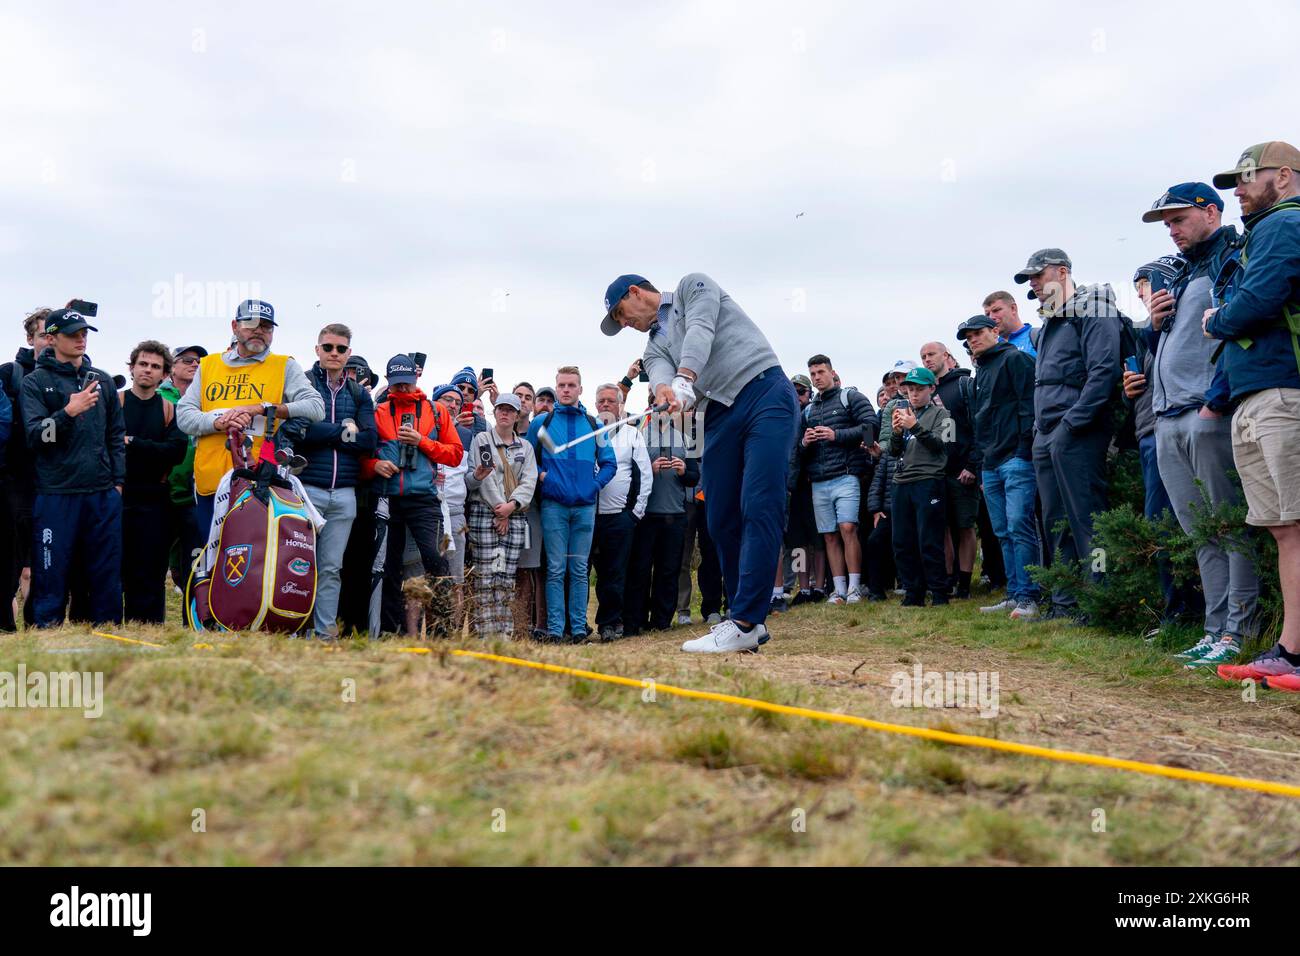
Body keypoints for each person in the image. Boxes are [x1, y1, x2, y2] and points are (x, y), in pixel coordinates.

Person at [603, 272, 799, 653]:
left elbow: (701, 330)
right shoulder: (652, 347)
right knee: (721, 515)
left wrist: (684, 377)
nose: (624, 323)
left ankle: (743, 619)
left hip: (764, 392)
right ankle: (749, 625)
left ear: (635, 292)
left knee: (759, 504)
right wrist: (667, 391)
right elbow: (661, 376)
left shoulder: (693, 287)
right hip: (719, 414)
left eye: (621, 314)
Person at [1203, 142, 1300, 685]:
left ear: (1283, 177)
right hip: (1259, 392)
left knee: (1296, 524)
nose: (1237, 189)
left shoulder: (1283, 225)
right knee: (1287, 527)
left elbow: (1259, 298)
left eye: (1245, 178)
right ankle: (1289, 652)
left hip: (1284, 391)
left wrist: (1217, 320)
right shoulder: (1267, 228)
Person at [1014, 248, 1124, 620]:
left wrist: (1071, 425)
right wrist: (1039, 432)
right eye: (1029, 278)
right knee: (1055, 522)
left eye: (1037, 275)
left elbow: (1104, 372)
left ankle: (1100, 601)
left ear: (1062, 272)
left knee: (1088, 521)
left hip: (1078, 431)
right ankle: (1063, 602)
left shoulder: (1095, 308)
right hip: (1046, 434)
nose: (1033, 283)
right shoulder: (1049, 323)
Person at [175, 300, 324, 538]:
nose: (259, 330)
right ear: (234, 326)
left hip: (261, 482)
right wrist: (219, 422)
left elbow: (316, 407)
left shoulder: (284, 365)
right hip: (211, 479)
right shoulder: (208, 365)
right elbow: (183, 416)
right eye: (251, 323)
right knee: (211, 562)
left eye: (266, 326)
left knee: (254, 561)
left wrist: (263, 408)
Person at [20, 308, 125, 627]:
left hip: (101, 494)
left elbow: (116, 436)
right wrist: (68, 412)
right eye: (72, 333)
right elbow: (38, 436)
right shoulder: (35, 382)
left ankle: (109, 636)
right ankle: (46, 639)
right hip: (56, 494)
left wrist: (117, 483)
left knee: (105, 574)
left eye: (84, 332)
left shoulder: (103, 381)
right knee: (51, 574)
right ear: (51, 339)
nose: (81, 338)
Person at [364, 354, 464, 636]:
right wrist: (374, 465)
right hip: (387, 497)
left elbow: (455, 454)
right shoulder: (377, 412)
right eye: (397, 385)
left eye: (407, 384)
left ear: (416, 379)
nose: (403, 390)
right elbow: (361, 457)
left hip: (424, 498)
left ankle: (441, 629)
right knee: (389, 565)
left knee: (435, 557)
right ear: (388, 382)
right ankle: (389, 631)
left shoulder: (435, 411)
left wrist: (423, 442)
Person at [293, 324, 378, 638]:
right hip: (306, 489)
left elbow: (369, 440)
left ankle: (324, 634)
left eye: (340, 349)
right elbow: (300, 432)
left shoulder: (358, 392)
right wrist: (343, 431)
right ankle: (294, 627)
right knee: (298, 563)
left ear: (348, 353)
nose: (334, 353)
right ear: (317, 349)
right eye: (328, 347)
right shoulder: (302, 382)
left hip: (344, 493)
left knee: (331, 568)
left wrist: (324, 433)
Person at [958, 316, 1040, 620]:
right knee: (1002, 531)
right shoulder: (980, 372)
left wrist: (1022, 449)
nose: (973, 340)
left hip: (1016, 458)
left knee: (1020, 525)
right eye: (968, 337)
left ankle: (1030, 597)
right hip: (990, 463)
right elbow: (979, 421)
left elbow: (1028, 406)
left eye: (978, 333)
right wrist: (981, 465)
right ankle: (1014, 594)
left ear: (995, 331)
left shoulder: (1015, 359)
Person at [526, 366, 615, 642]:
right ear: (556, 388)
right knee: (555, 569)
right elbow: (530, 459)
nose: (566, 390)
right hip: (554, 506)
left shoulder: (594, 425)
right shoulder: (542, 423)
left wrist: (594, 485)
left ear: (580, 389)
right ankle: (555, 630)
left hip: (585, 507)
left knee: (578, 570)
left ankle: (577, 629)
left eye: (571, 385)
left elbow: (610, 463)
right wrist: (544, 478)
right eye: (561, 385)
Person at [799, 353, 877, 604]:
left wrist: (837, 435)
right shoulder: (808, 409)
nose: (816, 378)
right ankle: (838, 589)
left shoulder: (850, 397)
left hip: (846, 475)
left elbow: (870, 426)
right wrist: (804, 442)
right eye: (812, 374)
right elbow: (795, 448)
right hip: (819, 480)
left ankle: (855, 586)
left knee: (848, 528)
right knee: (829, 535)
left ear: (833, 373)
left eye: (821, 372)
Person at [120, 341, 187, 623]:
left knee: (150, 570)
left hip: (156, 497)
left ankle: (147, 629)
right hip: (117, 494)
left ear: (164, 374)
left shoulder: (170, 409)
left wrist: (133, 443)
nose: (148, 370)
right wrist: (152, 449)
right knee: (113, 568)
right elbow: (105, 446)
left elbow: (176, 451)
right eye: (143, 364)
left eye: (155, 366)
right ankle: (108, 626)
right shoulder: (116, 403)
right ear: (132, 368)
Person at [626, 390, 699, 633]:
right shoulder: (638, 436)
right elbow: (629, 476)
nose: (663, 412)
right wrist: (650, 469)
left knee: (669, 569)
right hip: (646, 514)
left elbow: (693, 478)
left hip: (675, 514)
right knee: (641, 569)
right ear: (650, 409)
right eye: (658, 407)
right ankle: (636, 620)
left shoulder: (683, 438)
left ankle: (661, 621)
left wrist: (681, 471)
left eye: (668, 408)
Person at [464, 393, 537, 637]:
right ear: (494, 412)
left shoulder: (525, 447)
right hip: (485, 514)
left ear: (517, 415)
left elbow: (529, 480)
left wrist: (511, 507)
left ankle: (503, 633)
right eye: (500, 409)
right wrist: (500, 509)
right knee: (485, 576)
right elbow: (485, 479)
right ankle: (486, 634)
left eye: (510, 410)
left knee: (506, 577)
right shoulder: (482, 438)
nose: (504, 413)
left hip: (514, 516)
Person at [1, 308, 52, 630]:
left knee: (43, 561)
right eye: (43, 334)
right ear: (30, 338)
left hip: (53, 479)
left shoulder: (75, 374)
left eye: (53, 334)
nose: (49, 340)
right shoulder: (9, 373)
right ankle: (6, 626)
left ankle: (39, 626)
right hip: (13, 479)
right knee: (10, 558)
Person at [888, 367, 952, 607]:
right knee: (902, 541)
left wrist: (914, 426)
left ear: (932, 388)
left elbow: (944, 446)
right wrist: (896, 433)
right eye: (910, 389)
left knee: (930, 538)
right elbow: (893, 452)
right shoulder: (903, 414)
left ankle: (939, 592)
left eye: (919, 389)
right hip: (901, 482)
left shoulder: (945, 414)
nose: (913, 394)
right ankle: (913, 592)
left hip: (929, 481)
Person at [591, 384, 651, 640]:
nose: (605, 405)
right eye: (601, 401)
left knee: (615, 574)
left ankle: (610, 623)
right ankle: (576, 625)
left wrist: (635, 514)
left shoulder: (632, 434)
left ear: (619, 405)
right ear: (595, 405)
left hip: (620, 517)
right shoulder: (587, 432)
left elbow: (644, 475)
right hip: (589, 516)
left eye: (610, 401)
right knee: (589, 573)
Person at [921, 341, 981, 598]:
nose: (926, 360)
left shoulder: (963, 384)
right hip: (937, 470)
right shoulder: (925, 391)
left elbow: (979, 424)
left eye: (931, 354)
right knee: (942, 527)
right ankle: (948, 581)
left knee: (965, 526)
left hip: (962, 468)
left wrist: (973, 464)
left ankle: (966, 585)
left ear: (946, 356)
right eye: (922, 356)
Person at [782, 373, 826, 607]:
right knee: (797, 541)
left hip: (814, 482)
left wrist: (805, 444)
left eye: (801, 392)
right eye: (793, 391)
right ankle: (804, 588)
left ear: (809, 394)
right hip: (792, 486)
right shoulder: (784, 415)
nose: (797, 396)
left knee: (817, 539)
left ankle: (819, 586)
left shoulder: (813, 413)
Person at [510, 382, 547, 637]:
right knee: (514, 570)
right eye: (518, 396)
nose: (523, 401)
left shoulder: (539, 434)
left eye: (527, 397)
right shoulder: (498, 432)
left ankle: (539, 626)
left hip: (533, 507)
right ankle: (517, 626)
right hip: (502, 509)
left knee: (534, 568)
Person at [982, 291, 1040, 357]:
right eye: (987, 314)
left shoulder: (1039, 335)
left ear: (1013, 308)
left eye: (996, 310)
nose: (991, 317)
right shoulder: (992, 349)